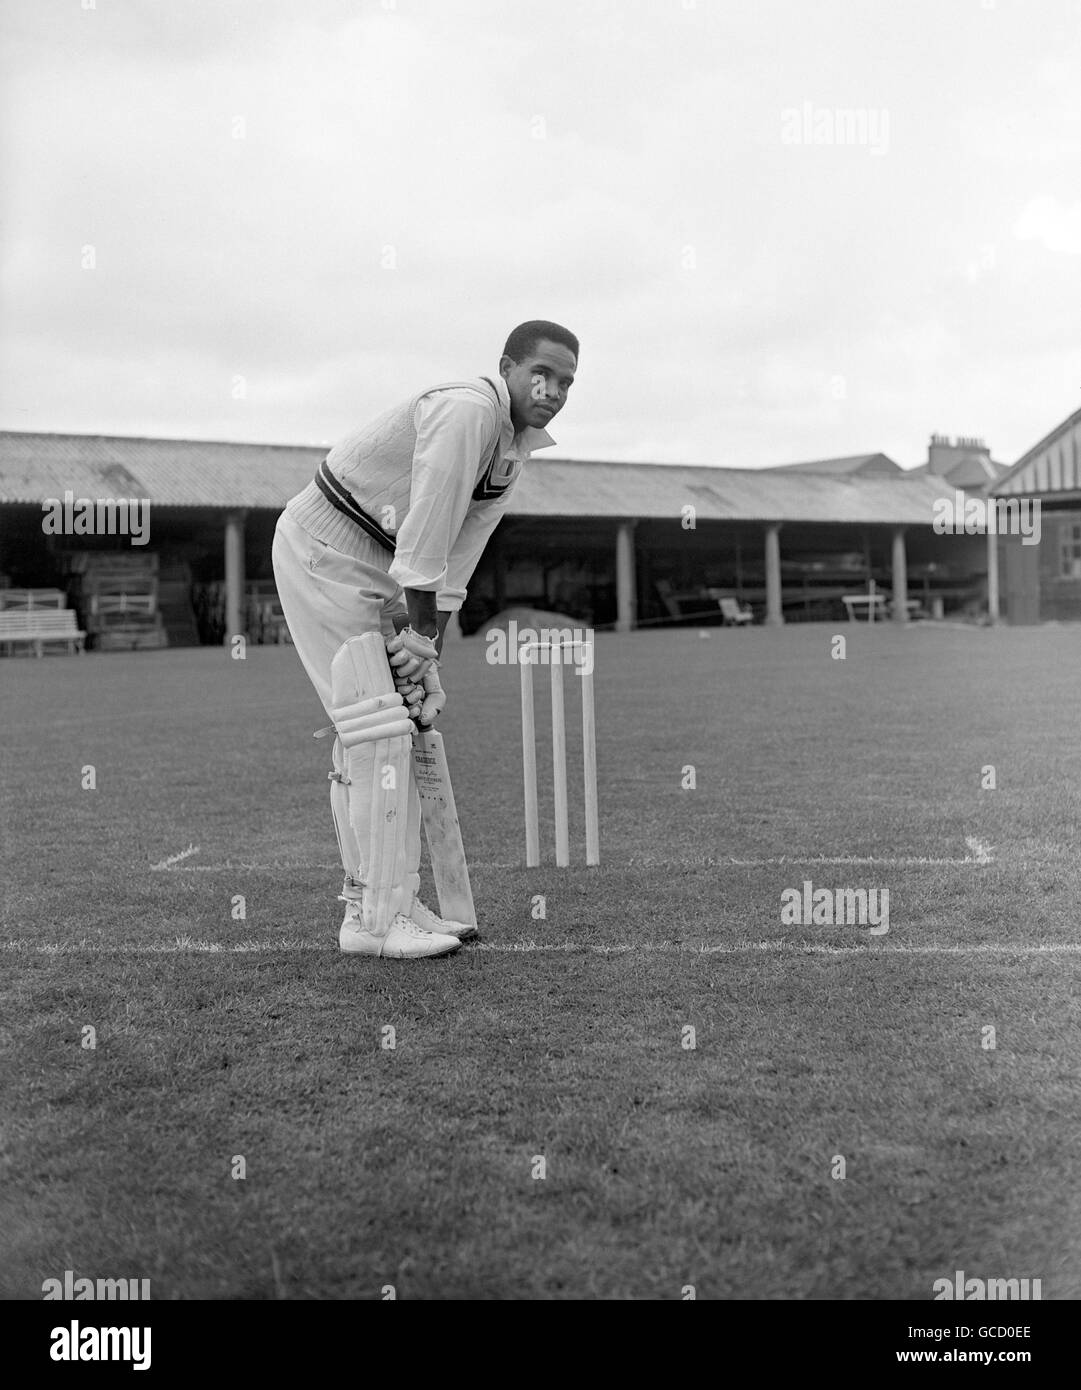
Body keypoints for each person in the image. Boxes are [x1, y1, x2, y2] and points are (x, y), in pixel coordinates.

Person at [272, 320, 579, 959]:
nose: (551, 390)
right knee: (374, 728)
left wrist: (426, 649)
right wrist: (415, 629)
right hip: (324, 551)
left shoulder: (513, 449)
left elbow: (459, 558)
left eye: (566, 383)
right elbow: (428, 527)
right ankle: (372, 922)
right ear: (508, 367)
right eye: (541, 374)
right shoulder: (469, 411)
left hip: (378, 567)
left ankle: (392, 900)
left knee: (396, 727)